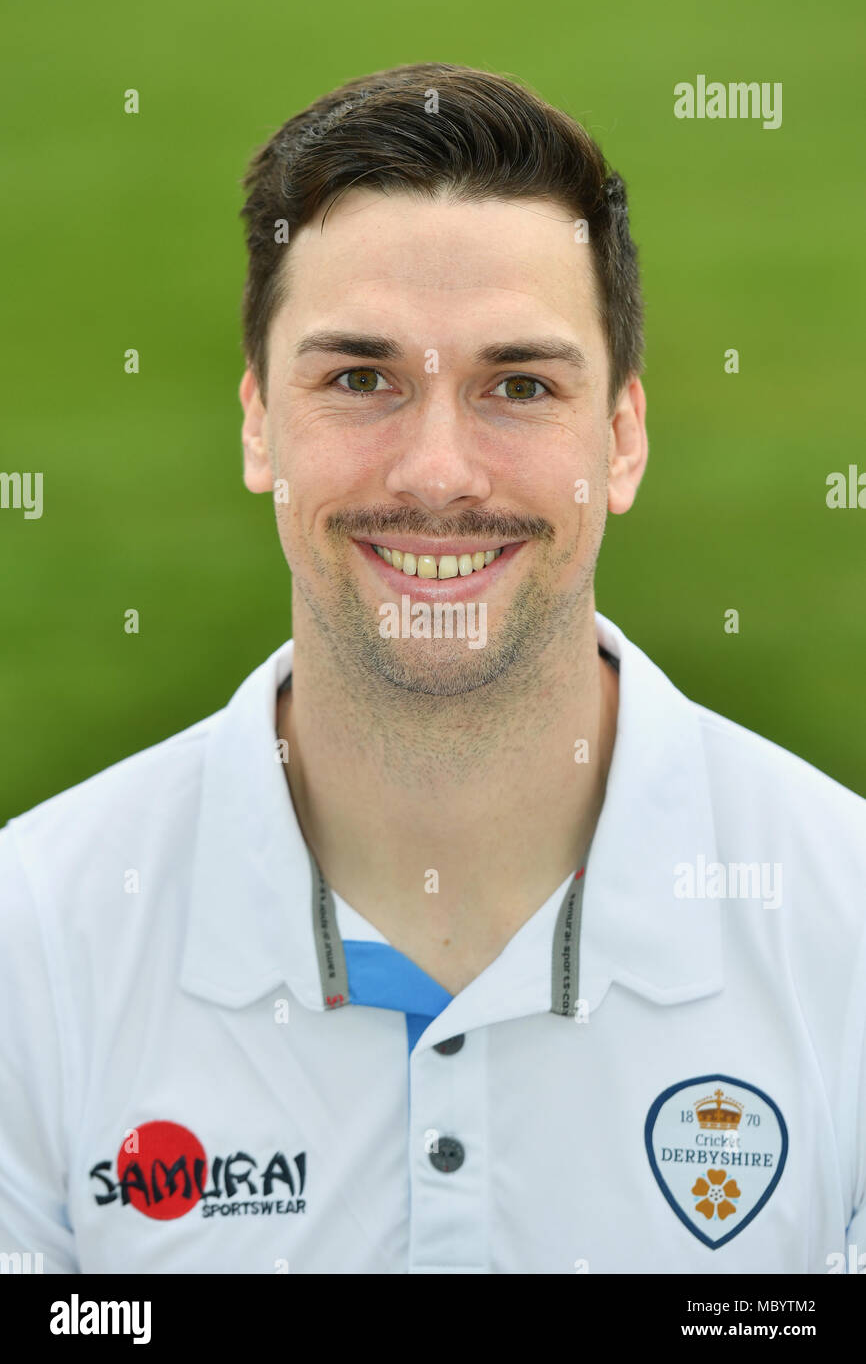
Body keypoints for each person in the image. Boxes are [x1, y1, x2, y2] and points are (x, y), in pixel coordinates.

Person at [1, 62, 863, 1276]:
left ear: (619, 437)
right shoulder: (28, 941)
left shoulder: (846, 930)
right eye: (360, 379)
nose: (436, 474)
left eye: (517, 385)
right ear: (258, 423)